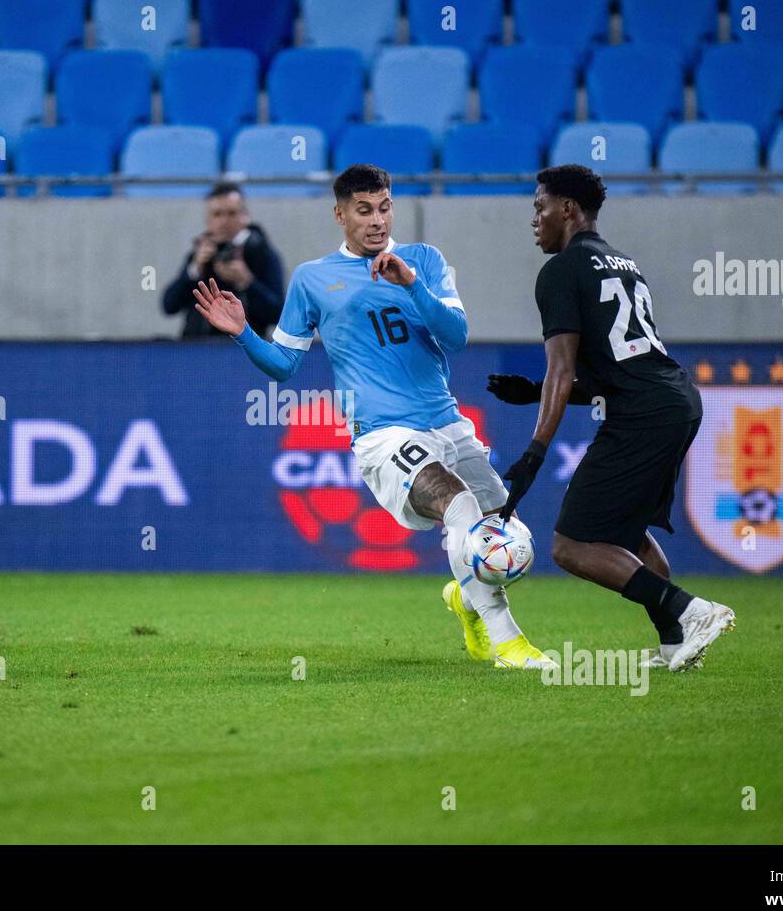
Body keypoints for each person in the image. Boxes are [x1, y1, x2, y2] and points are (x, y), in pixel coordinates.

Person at [192, 164, 554, 670]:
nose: (377, 220)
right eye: (364, 210)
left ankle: (465, 600)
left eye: (384, 208)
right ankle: (509, 643)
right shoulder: (313, 279)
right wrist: (243, 332)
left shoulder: (424, 260)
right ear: (340, 214)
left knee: (506, 541)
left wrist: (412, 287)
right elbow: (283, 366)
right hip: (383, 434)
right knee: (460, 506)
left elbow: (456, 336)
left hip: (446, 423)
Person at [490, 164, 735, 672]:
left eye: (540, 207)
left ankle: (690, 611)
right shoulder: (623, 262)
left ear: (569, 209)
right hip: (675, 400)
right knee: (625, 535)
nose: (534, 219)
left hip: (644, 412)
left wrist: (533, 456)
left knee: (572, 546)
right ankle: (675, 642)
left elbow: (562, 369)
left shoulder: (559, 272)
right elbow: (609, 371)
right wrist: (535, 391)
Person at [161, 182, 284, 338]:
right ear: (208, 220)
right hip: (198, 346)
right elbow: (169, 306)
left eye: (231, 213)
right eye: (217, 214)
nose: (224, 221)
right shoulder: (199, 255)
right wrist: (194, 270)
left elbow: (277, 315)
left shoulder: (263, 254)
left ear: (244, 216)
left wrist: (247, 282)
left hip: (246, 349)